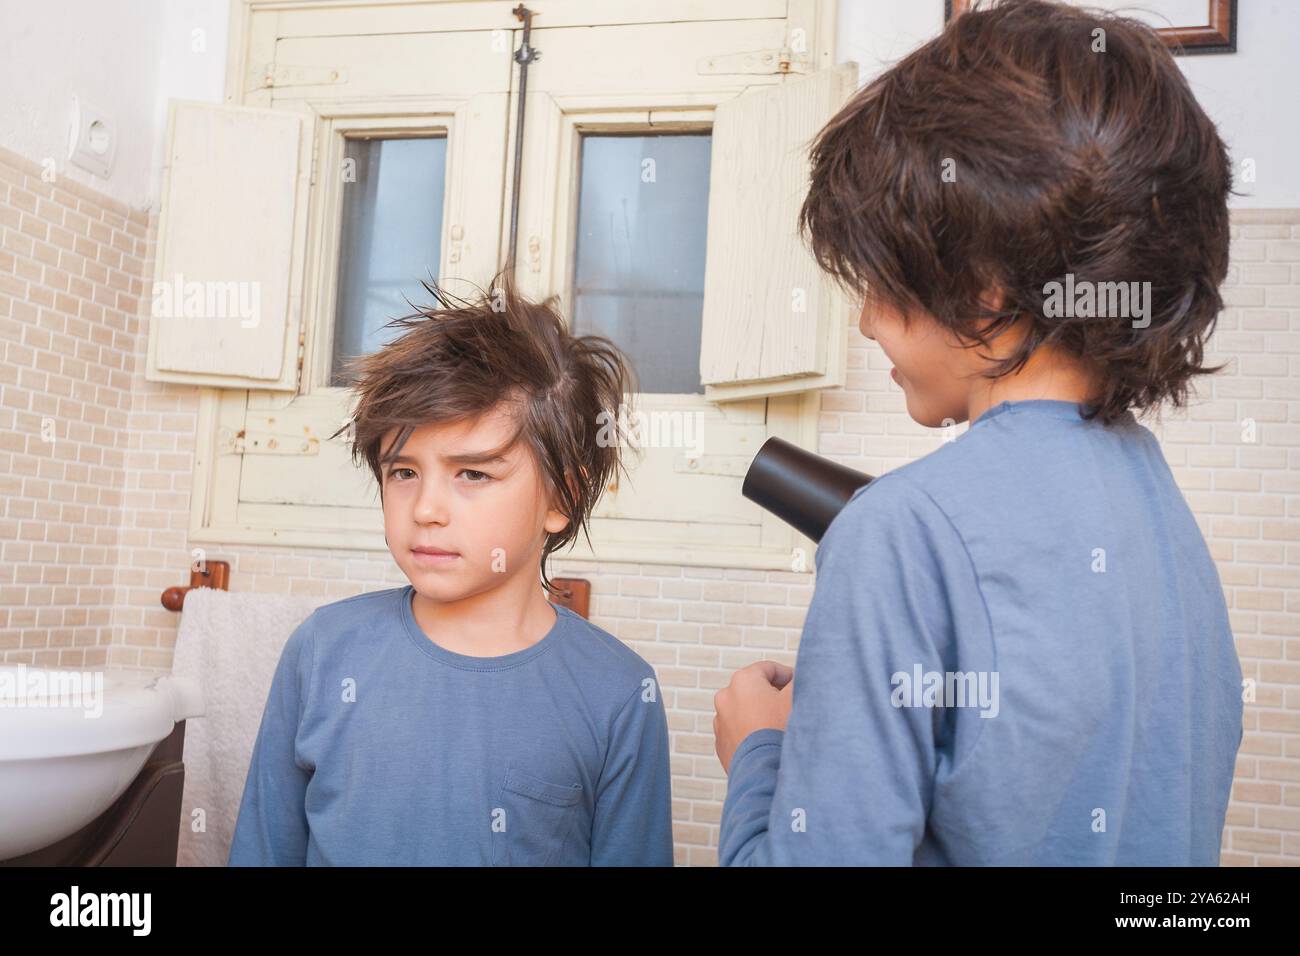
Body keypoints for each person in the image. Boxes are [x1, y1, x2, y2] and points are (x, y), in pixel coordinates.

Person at [714, 0, 1244, 865]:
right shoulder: (1158, 510)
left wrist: (760, 755)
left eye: (881, 282)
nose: (866, 325)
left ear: (984, 286)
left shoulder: (898, 531)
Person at [229, 276, 673, 866]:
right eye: (404, 472)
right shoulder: (321, 650)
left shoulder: (619, 693)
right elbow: (262, 852)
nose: (426, 510)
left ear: (559, 499)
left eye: (474, 474)